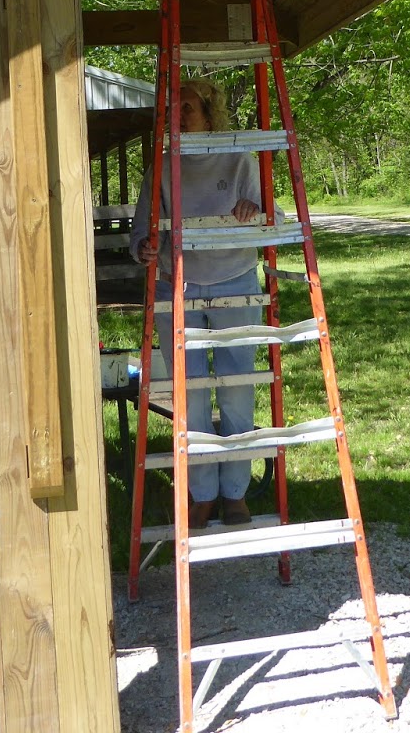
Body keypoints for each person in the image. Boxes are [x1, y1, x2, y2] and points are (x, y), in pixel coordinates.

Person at [132, 76, 264, 529]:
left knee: (237, 388)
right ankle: (202, 493)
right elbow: (142, 233)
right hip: (179, 283)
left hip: (235, 279)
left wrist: (253, 212)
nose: (179, 114)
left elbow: (270, 214)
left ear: (210, 112)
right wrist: (148, 246)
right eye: (172, 107)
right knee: (188, 394)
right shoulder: (163, 165)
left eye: (187, 106)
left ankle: (235, 493)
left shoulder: (236, 153)